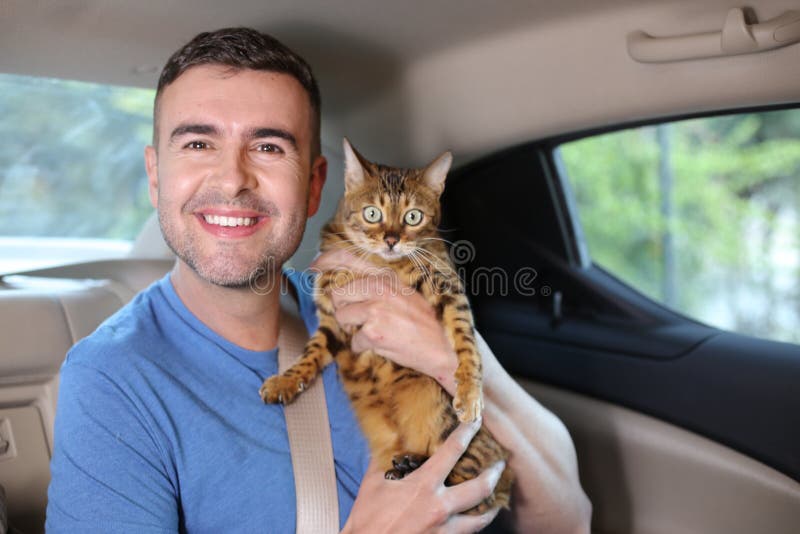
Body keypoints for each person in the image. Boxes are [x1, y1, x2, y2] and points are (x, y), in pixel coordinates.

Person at [46, 28, 591, 533]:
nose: (233, 179)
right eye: (197, 144)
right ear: (155, 174)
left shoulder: (388, 304)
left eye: (268, 147)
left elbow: (569, 519)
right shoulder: (113, 380)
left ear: (313, 187)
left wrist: (457, 357)